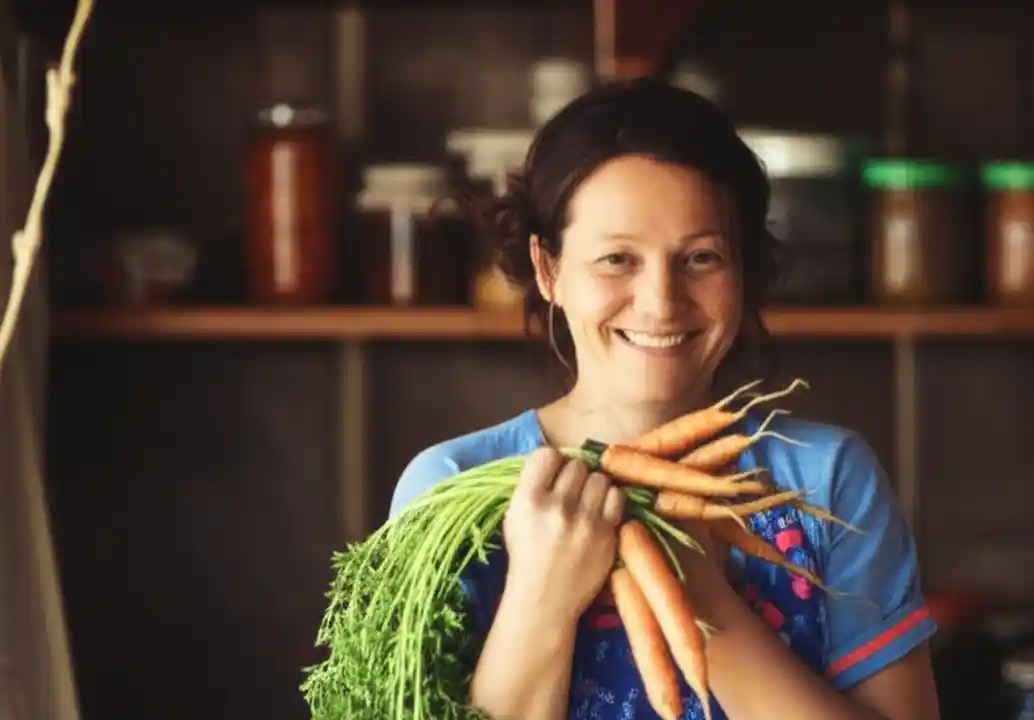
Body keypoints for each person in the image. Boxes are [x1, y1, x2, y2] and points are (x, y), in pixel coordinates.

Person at [388, 79, 940, 720]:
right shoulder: (450, 493)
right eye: (617, 259)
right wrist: (541, 595)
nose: (661, 302)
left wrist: (703, 600)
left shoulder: (824, 481)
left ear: (745, 269)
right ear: (548, 270)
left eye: (701, 257)